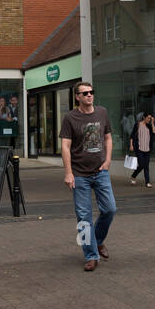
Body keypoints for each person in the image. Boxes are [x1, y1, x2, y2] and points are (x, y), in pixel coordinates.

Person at [60, 81, 115, 271]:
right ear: (77, 97)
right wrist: (68, 173)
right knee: (84, 217)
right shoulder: (70, 118)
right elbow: (65, 146)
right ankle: (91, 255)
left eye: (91, 92)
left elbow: (108, 138)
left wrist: (107, 161)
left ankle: (98, 240)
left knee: (110, 209)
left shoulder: (102, 112)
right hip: (79, 174)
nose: (89, 96)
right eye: (85, 93)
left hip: (101, 171)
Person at [129, 111, 155, 186]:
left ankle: (147, 182)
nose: (149, 120)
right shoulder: (138, 125)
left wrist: (153, 123)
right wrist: (131, 145)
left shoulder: (149, 126)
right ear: (144, 117)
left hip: (147, 149)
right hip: (139, 149)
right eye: (148, 118)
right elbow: (132, 136)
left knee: (146, 166)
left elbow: (154, 132)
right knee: (141, 165)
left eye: (150, 118)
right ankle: (134, 175)